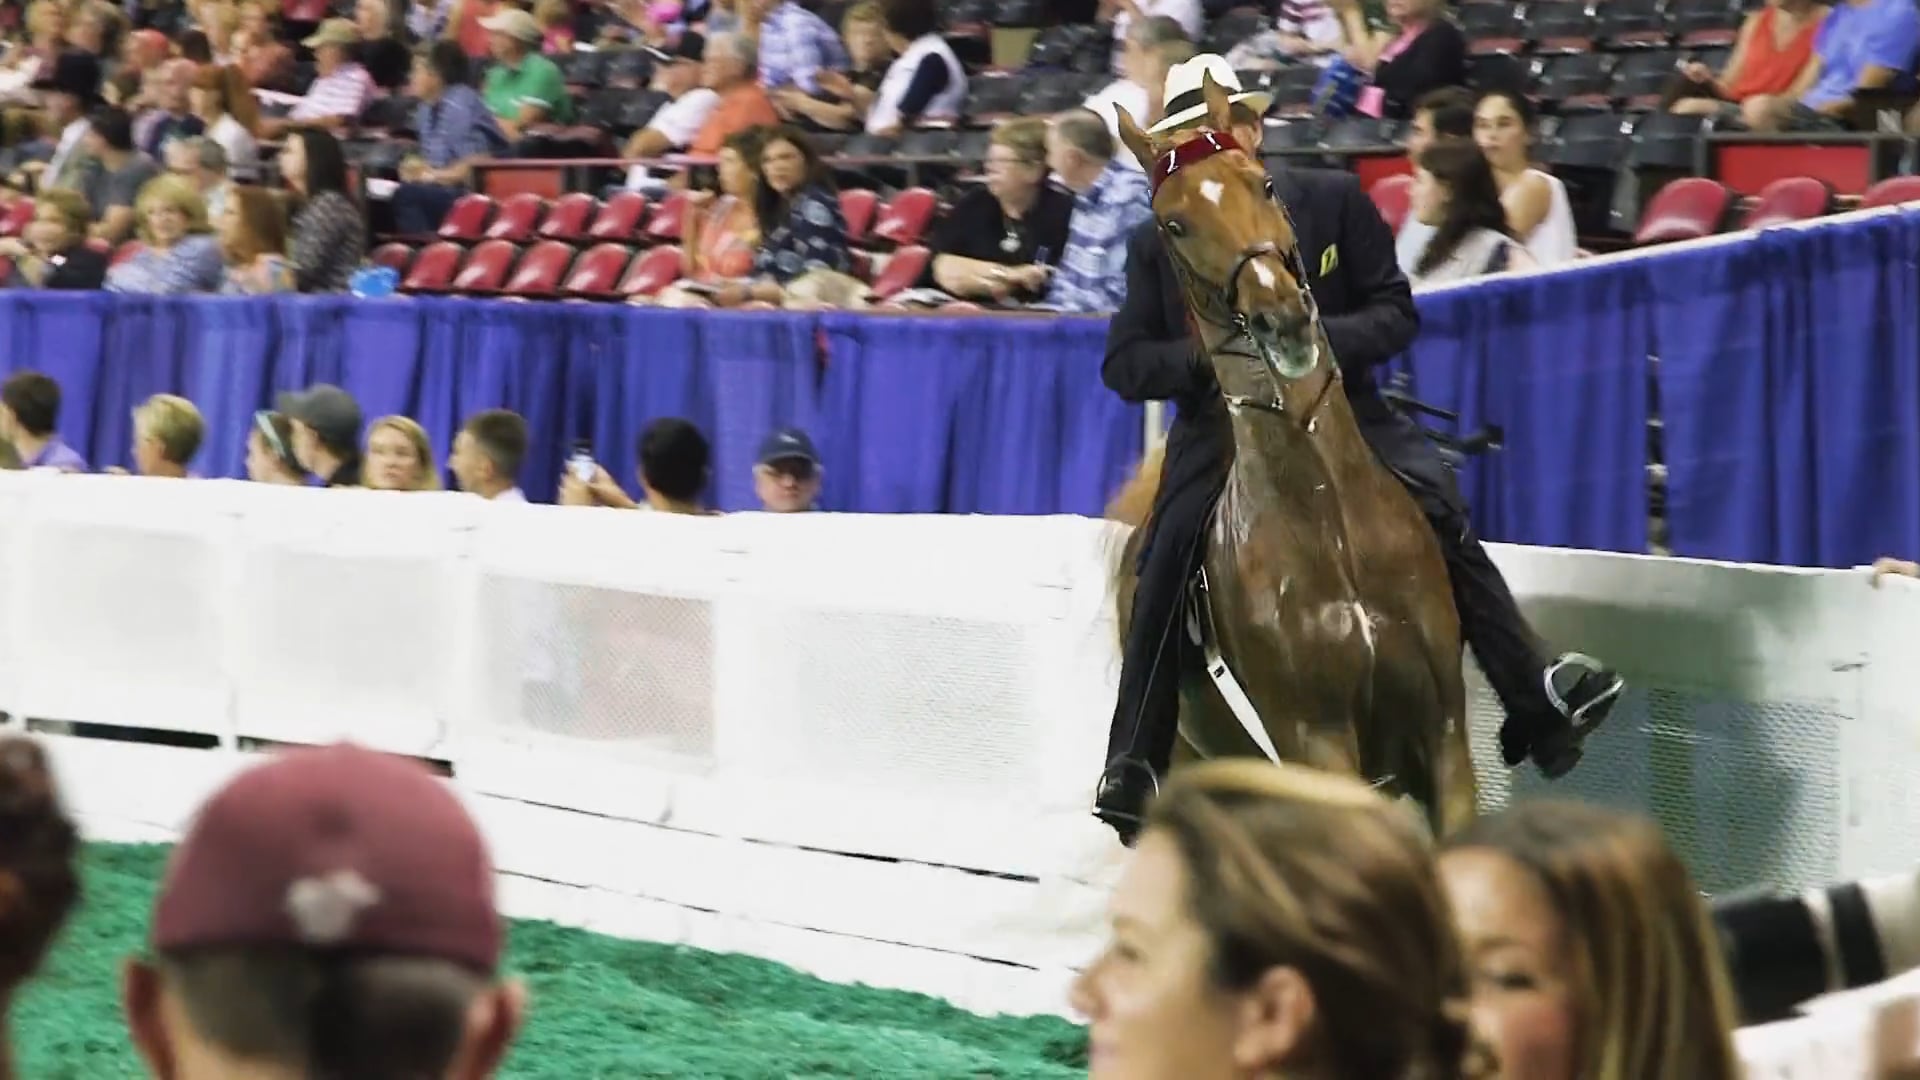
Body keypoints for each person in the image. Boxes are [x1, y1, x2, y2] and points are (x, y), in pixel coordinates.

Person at [1091, 57, 1623, 843]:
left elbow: (1394, 313)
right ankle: (1135, 754)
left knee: (1437, 499)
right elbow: (1126, 363)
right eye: (1187, 134)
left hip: (1351, 409)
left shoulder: (1334, 199)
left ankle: (1533, 688)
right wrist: (1213, 360)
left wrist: (1309, 340)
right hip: (1221, 428)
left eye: (1218, 124)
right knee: (1162, 552)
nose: (1207, 144)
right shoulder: (1155, 238)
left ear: (1251, 126)